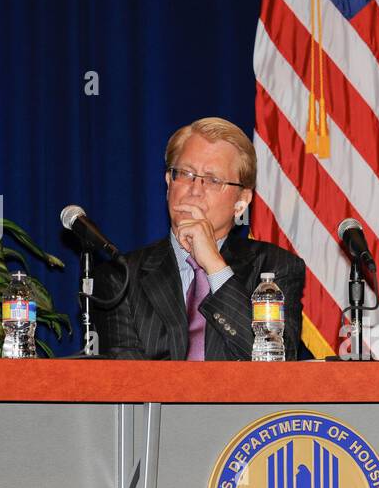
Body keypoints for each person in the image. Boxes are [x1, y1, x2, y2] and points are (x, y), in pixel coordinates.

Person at [96, 117, 306, 360]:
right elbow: (126, 382)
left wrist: (215, 268)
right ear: (168, 182)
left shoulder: (275, 268)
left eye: (213, 180)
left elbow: (276, 368)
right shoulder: (121, 277)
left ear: (242, 202)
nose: (194, 189)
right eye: (184, 174)